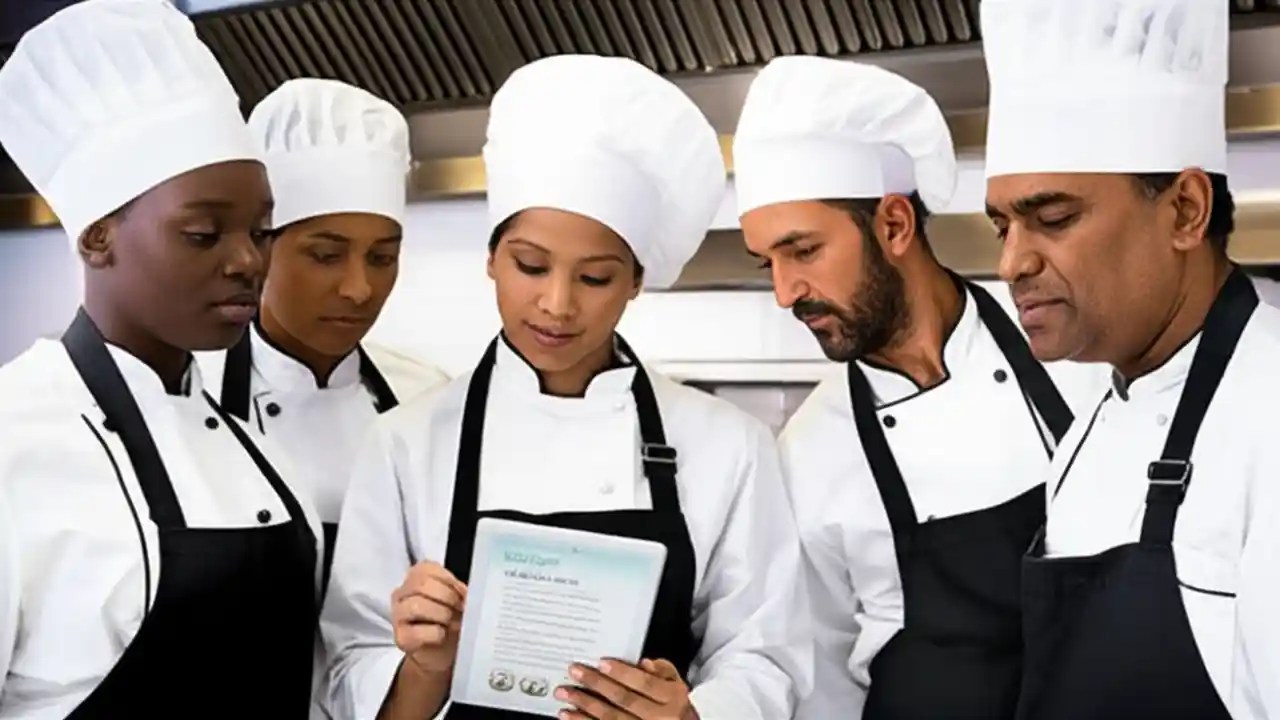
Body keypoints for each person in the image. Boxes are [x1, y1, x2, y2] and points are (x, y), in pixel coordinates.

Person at [320, 54, 812, 720]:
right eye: (530, 265)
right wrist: (423, 665)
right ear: (491, 259)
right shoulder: (407, 441)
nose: (556, 304)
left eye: (596, 278)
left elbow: (766, 659)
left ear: (636, 282)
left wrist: (692, 715)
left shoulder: (727, 445)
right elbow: (352, 680)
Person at [732, 56, 1100, 719]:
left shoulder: (1075, 358)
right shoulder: (809, 451)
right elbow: (819, 680)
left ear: (895, 225)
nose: (786, 293)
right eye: (768, 265)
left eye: (803, 252)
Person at [0, 0, 322, 717]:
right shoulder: (13, 440)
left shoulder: (256, 452)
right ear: (96, 239)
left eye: (262, 230)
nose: (248, 261)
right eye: (204, 234)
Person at [981, 0, 1280, 717]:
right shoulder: (1090, 416)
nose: (1013, 262)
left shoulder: (1269, 414)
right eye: (1002, 227)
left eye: (1052, 219)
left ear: (1184, 211)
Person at [198, 77, 449, 596]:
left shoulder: (429, 400)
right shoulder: (188, 394)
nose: (360, 289)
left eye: (382, 258)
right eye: (326, 256)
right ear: (261, 249)